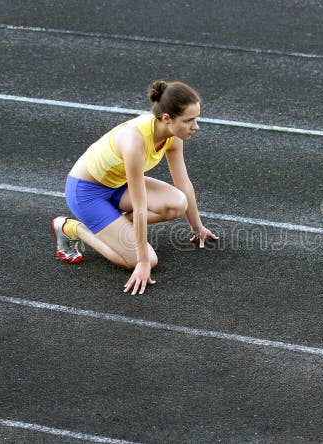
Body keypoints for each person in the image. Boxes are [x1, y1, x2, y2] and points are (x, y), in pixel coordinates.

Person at [51, 80, 218, 295]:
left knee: (177, 204)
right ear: (167, 118)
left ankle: (112, 225)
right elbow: (140, 207)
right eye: (189, 121)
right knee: (147, 259)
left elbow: (183, 183)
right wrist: (142, 262)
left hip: (118, 186)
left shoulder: (172, 136)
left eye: (196, 119)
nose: (196, 126)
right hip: (87, 193)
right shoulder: (134, 141)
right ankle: (72, 228)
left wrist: (197, 228)